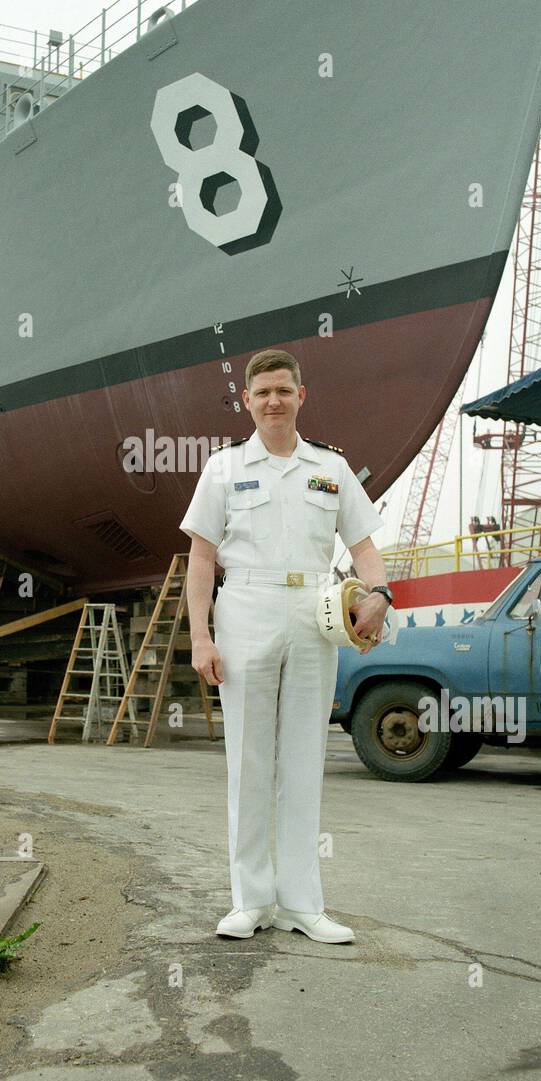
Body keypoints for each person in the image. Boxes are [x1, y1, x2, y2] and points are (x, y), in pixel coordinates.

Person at [181, 348, 393, 945]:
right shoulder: (222, 469)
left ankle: (303, 903)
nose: (274, 400)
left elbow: (364, 543)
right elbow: (201, 556)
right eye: (263, 392)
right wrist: (201, 636)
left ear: (303, 395)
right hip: (244, 607)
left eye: (284, 390)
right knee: (248, 758)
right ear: (245, 401)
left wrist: (380, 594)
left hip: (312, 611)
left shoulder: (331, 468)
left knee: (303, 758)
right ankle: (249, 900)